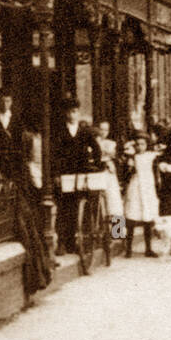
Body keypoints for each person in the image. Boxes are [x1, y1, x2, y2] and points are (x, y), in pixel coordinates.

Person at [54, 99, 101, 254]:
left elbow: (96, 148)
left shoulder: (84, 131)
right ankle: (62, 242)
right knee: (63, 208)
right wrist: (56, 174)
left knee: (77, 207)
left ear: (78, 113)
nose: (72, 115)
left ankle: (74, 241)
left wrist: (97, 163)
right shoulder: (59, 130)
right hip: (65, 173)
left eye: (74, 112)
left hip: (81, 172)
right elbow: (54, 153)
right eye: (69, 112)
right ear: (65, 113)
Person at [122, 133, 160, 258]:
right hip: (135, 187)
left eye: (142, 144)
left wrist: (156, 185)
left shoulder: (151, 156)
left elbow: (156, 172)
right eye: (137, 144)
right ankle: (128, 249)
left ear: (147, 145)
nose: (140, 147)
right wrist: (129, 166)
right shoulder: (132, 157)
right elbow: (126, 175)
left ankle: (148, 248)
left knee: (147, 218)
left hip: (148, 187)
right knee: (131, 217)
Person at [93, 120, 125, 228]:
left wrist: (109, 160)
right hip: (96, 172)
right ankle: (100, 230)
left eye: (106, 130)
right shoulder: (93, 142)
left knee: (114, 201)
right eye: (101, 129)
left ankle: (118, 233)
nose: (103, 132)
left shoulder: (110, 143)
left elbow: (113, 156)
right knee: (99, 204)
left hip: (108, 173)